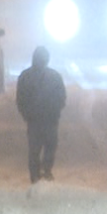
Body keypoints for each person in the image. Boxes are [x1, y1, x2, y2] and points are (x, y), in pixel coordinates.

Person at [16, 46, 67, 183]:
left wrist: (26, 115)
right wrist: (56, 111)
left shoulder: (25, 76)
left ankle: (35, 175)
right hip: (49, 119)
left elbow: (20, 99)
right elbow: (61, 97)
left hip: (35, 120)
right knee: (50, 146)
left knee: (35, 149)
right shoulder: (54, 76)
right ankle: (46, 171)